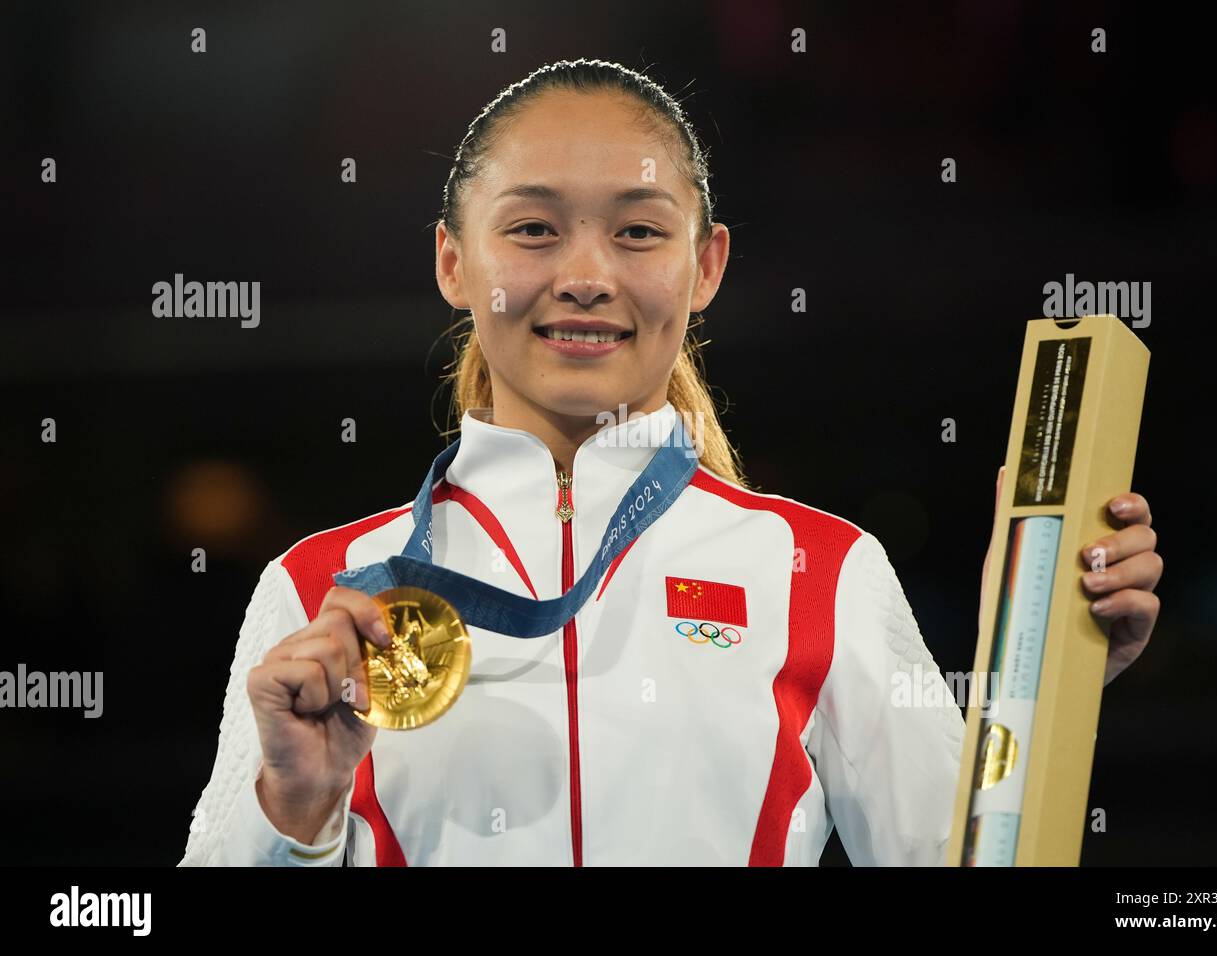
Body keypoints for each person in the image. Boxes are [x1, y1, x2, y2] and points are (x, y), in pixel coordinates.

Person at [179, 59, 1162, 867]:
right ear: (453, 261)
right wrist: (294, 806)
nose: (585, 276)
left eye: (638, 231)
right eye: (532, 228)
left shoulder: (821, 572)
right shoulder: (319, 589)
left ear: (705, 267)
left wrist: (1042, 685)